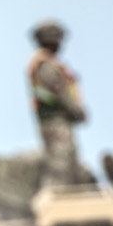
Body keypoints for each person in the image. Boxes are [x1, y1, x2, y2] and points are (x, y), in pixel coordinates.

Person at [26, 20, 94, 187]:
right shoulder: (45, 65)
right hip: (54, 120)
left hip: (59, 120)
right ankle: (57, 197)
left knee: (70, 160)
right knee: (60, 161)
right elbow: (58, 92)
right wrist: (75, 110)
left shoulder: (49, 63)